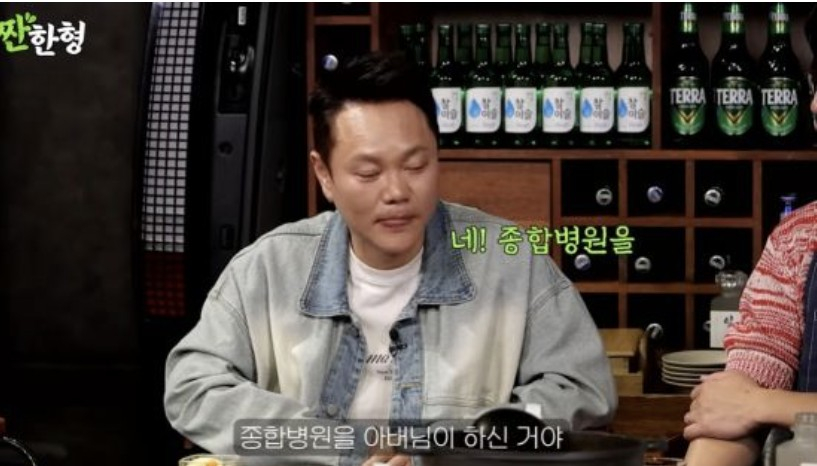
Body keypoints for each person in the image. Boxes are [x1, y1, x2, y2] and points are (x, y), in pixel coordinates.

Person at [163, 52, 616, 464]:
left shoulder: (510, 261)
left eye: (416, 166)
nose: (397, 192)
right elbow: (193, 390)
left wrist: (449, 449)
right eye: (368, 172)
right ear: (324, 174)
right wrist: (334, 446)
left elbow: (582, 391)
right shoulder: (269, 268)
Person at [682, 107, 817, 466]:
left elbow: (748, 402)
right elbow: (734, 400)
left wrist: (764, 405)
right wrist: (741, 404)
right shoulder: (797, 239)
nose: (815, 105)